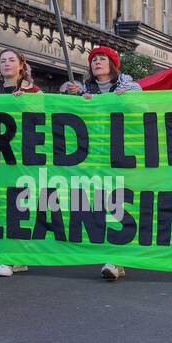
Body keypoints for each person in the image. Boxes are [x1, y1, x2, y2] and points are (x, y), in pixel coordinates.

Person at [61, 46, 140, 281]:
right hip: (93, 156)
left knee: (120, 203)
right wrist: (70, 96)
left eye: (102, 59)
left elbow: (143, 108)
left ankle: (117, 257)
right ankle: (112, 254)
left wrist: (114, 101)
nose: (97, 62)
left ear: (113, 64)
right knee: (99, 202)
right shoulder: (82, 90)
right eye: (93, 60)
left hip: (120, 156)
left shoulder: (130, 88)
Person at [0, 48, 38, 277]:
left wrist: (26, 104)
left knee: (18, 206)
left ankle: (13, 256)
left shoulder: (33, 91)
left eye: (11, 60)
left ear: (21, 65)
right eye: (2, 61)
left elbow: (45, 115)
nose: (6, 64)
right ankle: (10, 255)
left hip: (22, 160)